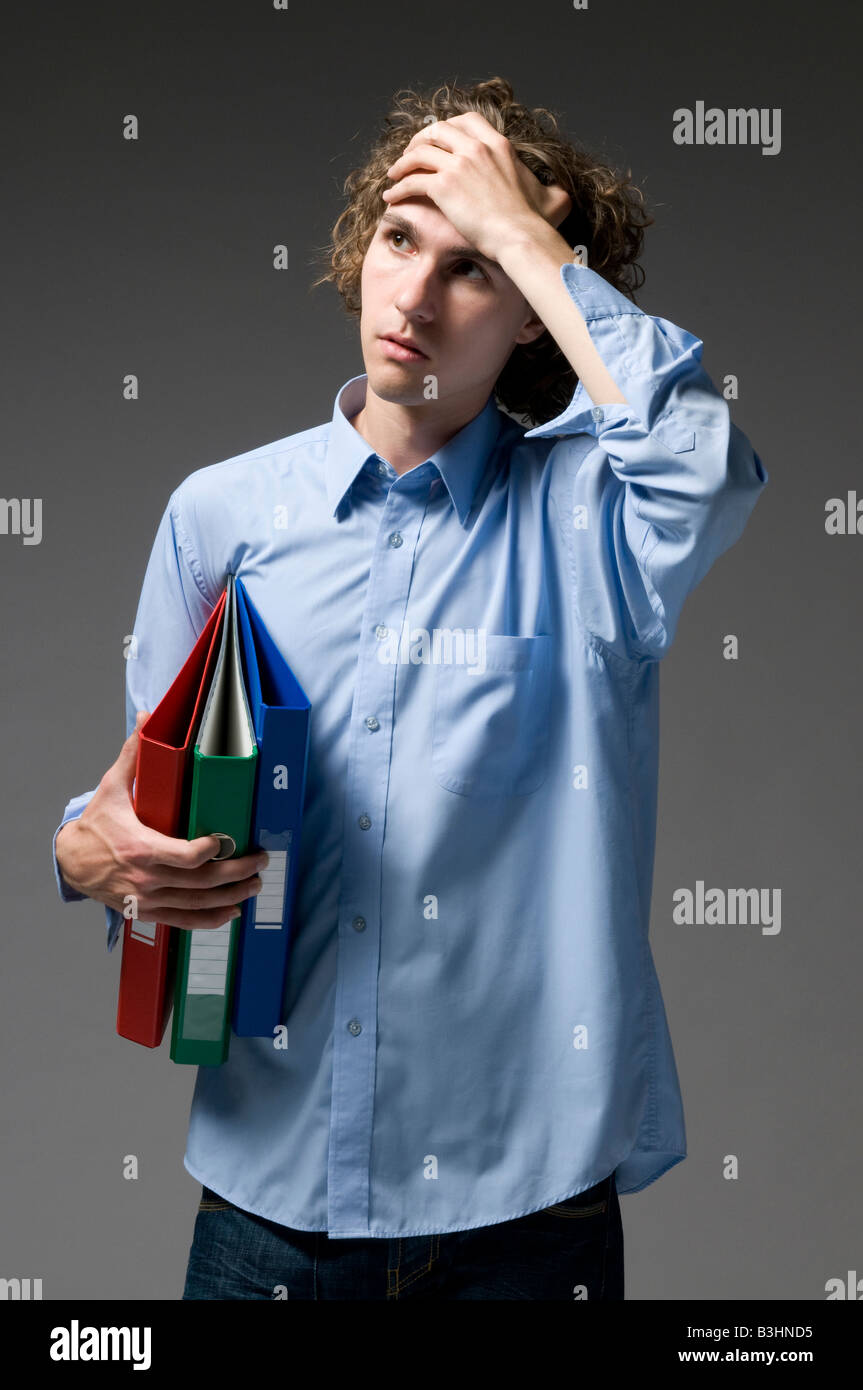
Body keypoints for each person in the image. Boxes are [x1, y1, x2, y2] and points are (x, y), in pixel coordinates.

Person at [52, 76, 767, 1300]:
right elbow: (148, 818)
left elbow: (705, 465)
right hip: (266, 1206)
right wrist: (83, 854)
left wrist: (530, 239)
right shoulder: (217, 516)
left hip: (526, 1221)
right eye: (397, 239)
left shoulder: (593, 518)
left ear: (531, 312)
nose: (416, 297)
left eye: (471, 264)